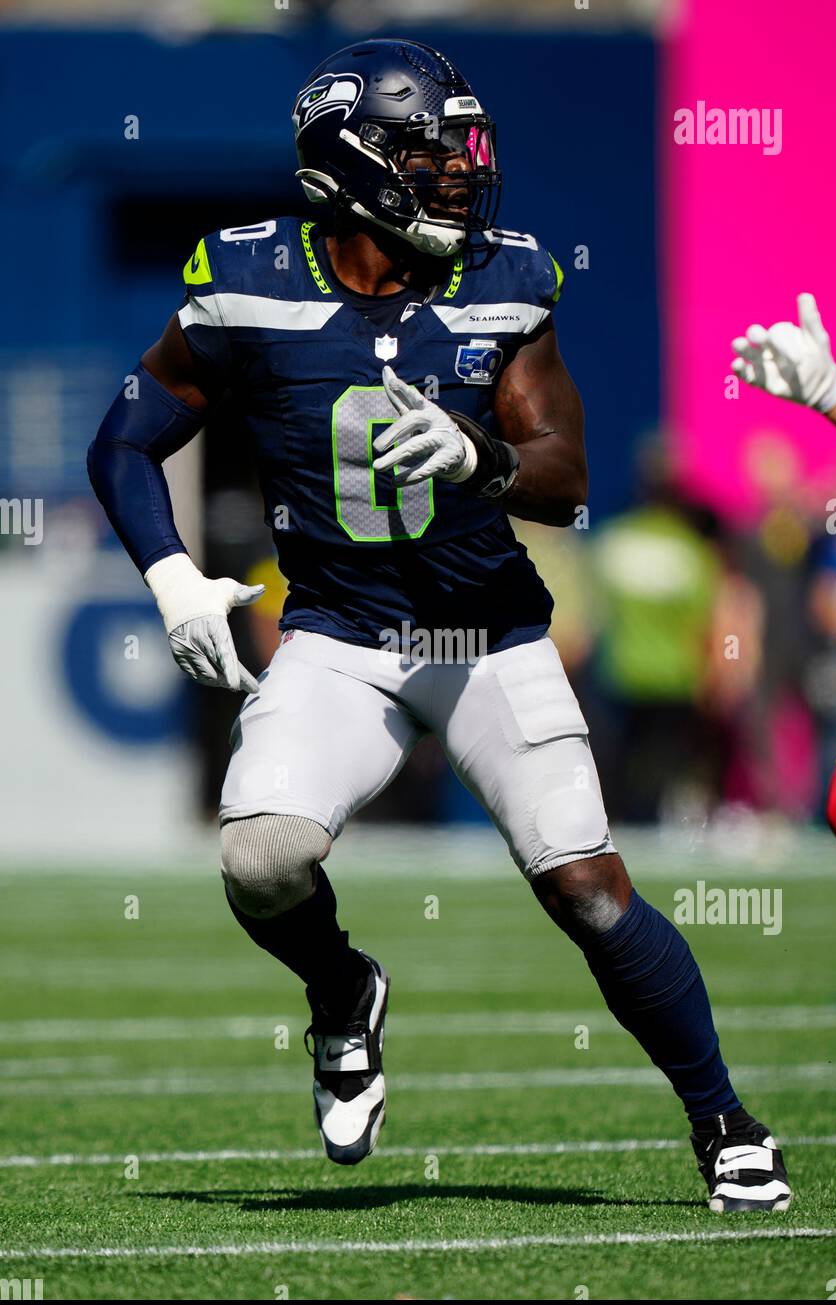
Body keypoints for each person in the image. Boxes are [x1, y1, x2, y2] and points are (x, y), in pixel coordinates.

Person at [88, 38, 790, 1213]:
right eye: (427, 150)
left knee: (587, 889)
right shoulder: (249, 278)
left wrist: (483, 455)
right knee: (260, 859)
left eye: (463, 146)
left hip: (487, 637)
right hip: (336, 634)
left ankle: (722, 1118)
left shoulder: (502, 278)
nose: (461, 171)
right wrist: (168, 577)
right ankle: (339, 991)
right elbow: (125, 438)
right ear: (351, 164)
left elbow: (563, 478)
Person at [732, 294, 836, 867]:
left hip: (810, 646)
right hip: (778, 643)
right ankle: (778, 812)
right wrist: (832, 392)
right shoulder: (754, 529)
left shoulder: (813, 523)